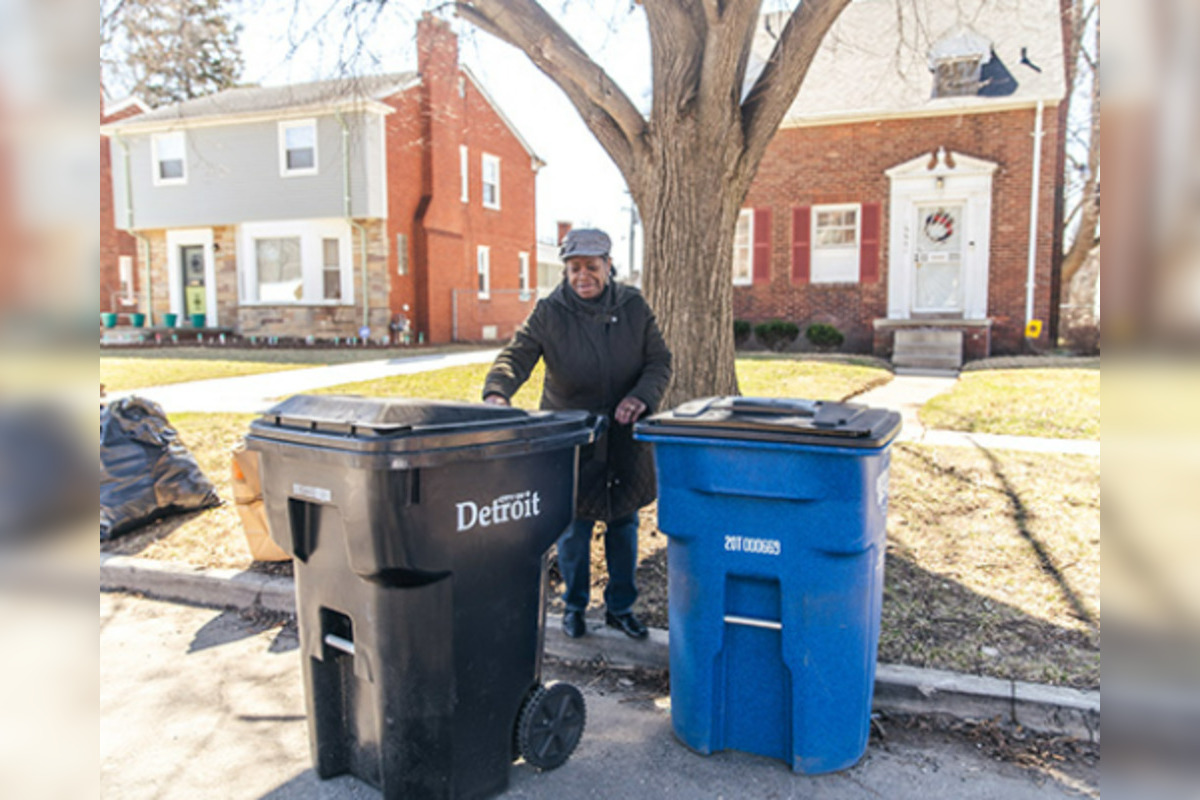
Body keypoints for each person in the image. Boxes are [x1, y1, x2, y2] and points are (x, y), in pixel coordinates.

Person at [482, 228, 672, 640]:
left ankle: (620, 608)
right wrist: (498, 391)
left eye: (591, 266)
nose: (582, 275)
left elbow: (659, 361)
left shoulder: (633, 306)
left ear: (608, 266)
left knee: (623, 526)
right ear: (565, 271)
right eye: (574, 268)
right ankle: (574, 607)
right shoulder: (550, 311)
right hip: (573, 439)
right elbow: (516, 355)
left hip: (623, 437)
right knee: (573, 530)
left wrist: (640, 397)